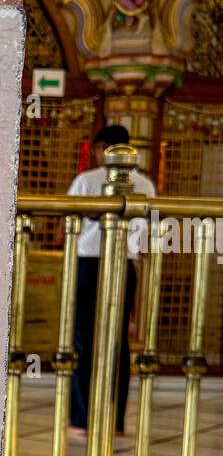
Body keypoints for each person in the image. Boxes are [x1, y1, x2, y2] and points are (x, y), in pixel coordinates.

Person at [68, 123, 155, 437]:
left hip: (87, 265)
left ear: (102, 148)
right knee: (118, 342)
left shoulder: (86, 180)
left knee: (82, 339)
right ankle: (115, 422)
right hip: (125, 265)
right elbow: (145, 234)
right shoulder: (144, 184)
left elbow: (69, 224)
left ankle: (80, 421)